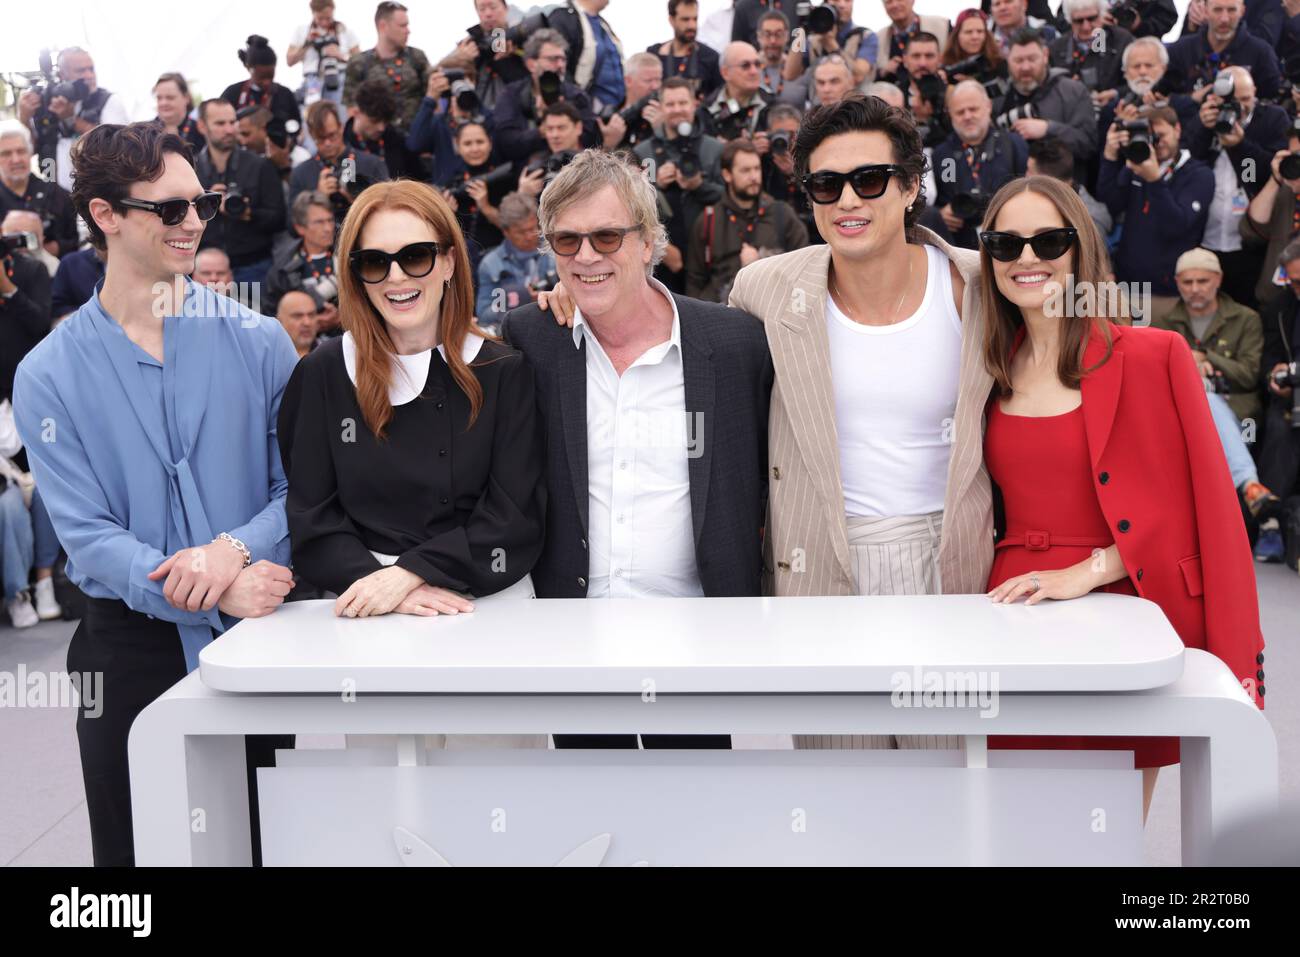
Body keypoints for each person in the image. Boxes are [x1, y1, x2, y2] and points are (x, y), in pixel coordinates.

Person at [12, 122, 297, 865]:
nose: (194, 222)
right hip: (125, 651)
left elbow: (299, 492)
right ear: (106, 215)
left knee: (257, 844)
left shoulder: (260, 340)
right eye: (170, 210)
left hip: (258, 640)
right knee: (132, 861)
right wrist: (208, 589)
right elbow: (89, 538)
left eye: (201, 203)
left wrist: (232, 555)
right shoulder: (47, 374)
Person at [978, 174, 1265, 818]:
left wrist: (1087, 571)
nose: (1027, 258)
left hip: (1120, 616)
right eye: (1006, 243)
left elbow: (1201, 508)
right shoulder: (985, 367)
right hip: (1009, 619)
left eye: (1047, 240)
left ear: (1080, 251)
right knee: (1016, 833)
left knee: (1101, 839)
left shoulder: (1154, 356)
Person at [726, 94, 994, 751]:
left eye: (868, 180)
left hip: (954, 564)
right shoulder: (765, 287)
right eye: (826, 184)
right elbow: (681, 338)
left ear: (908, 188)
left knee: (953, 792)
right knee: (840, 799)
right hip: (822, 564)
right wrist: (571, 297)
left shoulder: (980, 284)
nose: (847, 200)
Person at [504, 148, 772, 751]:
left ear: (649, 242)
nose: (586, 257)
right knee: (595, 829)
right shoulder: (531, 339)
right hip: (573, 638)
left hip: (696, 638)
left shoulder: (734, 345)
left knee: (696, 825)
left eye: (606, 236)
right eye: (566, 241)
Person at [278, 177, 545, 616]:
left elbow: (514, 516)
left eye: (416, 256)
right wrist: (381, 585)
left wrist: (410, 575)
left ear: (449, 262)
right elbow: (313, 517)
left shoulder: (502, 370)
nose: (396, 277)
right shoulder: (323, 373)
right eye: (374, 262)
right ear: (356, 275)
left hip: (487, 603)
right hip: (365, 599)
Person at [1097, 105, 1214, 324]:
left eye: (1161, 135)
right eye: (1150, 137)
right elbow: (1111, 202)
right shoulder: (1136, 166)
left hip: (1169, 292)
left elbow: (1177, 225)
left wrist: (1154, 181)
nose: (1156, 143)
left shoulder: (1200, 175)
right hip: (1128, 286)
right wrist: (1110, 157)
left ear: (1177, 129)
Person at [1189, 65, 1289, 311]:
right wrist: (1203, 128)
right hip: (1207, 240)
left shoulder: (1272, 119)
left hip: (1249, 244)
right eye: (1234, 101)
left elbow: (1268, 174)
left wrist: (1239, 146)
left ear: (1255, 91)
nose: (1242, 107)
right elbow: (1190, 165)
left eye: (1247, 99)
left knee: (1246, 314)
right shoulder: (1206, 117)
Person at [685, 139, 807, 302]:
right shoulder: (708, 220)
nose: (754, 176)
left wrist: (762, 262)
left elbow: (805, 270)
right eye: (745, 170)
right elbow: (694, 282)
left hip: (772, 311)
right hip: (722, 315)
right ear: (727, 174)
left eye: (757, 169)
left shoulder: (782, 213)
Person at [194, 99, 287, 286]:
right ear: (202, 126)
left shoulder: (260, 166)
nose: (229, 130)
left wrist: (248, 213)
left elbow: (279, 219)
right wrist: (204, 204)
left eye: (232, 122)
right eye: (220, 123)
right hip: (205, 270)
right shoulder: (190, 170)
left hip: (254, 267)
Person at [927, 80, 1029, 249]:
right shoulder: (944, 156)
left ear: (988, 106)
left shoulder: (1013, 144)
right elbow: (945, 193)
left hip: (1010, 239)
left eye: (973, 109)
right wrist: (941, 215)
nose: (967, 116)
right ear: (950, 115)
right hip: (961, 245)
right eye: (960, 112)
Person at [16, 47, 130, 192]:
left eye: (91, 69)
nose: (89, 75)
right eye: (81, 71)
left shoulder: (108, 101)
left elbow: (119, 146)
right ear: (62, 74)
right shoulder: (47, 100)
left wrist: (71, 120)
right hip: (54, 196)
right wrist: (24, 118)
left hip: (96, 193)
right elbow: (30, 149)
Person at [494, 29, 603, 163]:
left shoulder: (577, 96)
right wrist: (541, 131)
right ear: (531, 64)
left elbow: (589, 139)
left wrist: (561, 115)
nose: (560, 65)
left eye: (563, 59)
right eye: (553, 59)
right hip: (525, 175)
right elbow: (505, 142)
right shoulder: (511, 95)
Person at [290, 101, 391, 221]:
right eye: (320, 138)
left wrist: (359, 202)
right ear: (311, 135)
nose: (327, 143)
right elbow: (293, 227)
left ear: (341, 127)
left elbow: (389, 212)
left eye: (332, 135)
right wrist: (317, 198)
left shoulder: (372, 164)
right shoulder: (301, 174)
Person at [1166, 0, 1281, 101]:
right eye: (1217, 10)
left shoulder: (1262, 53)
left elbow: (1274, 99)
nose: (1224, 18)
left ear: (1242, 11)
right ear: (1205, 10)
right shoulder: (1181, 49)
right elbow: (1163, 98)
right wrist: (1190, 100)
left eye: (1231, 10)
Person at [343, 2, 433, 129]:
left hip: (418, 138)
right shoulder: (359, 63)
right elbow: (352, 111)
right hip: (379, 141)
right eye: (402, 26)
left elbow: (433, 98)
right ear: (383, 26)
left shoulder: (416, 57)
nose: (408, 31)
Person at [475, 191, 554, 332]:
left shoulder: (554, 249)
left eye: (533, 228)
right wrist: (517, 298)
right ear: (506, 231)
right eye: (521, 232)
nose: (529, 236)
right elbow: (483, 315)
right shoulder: (491, 264)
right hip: (515, 332)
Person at [0, 120, 78, 259]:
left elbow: (74, 242)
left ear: (31, 153)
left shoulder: (57, 195)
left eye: (21, 151)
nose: (16, 159)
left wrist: (51, 249)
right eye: (6, 154)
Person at [266, 191, 340, 326]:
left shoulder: (347, 258)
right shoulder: (282, 269)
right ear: (300, 228)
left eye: (330, 220)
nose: (328, 228)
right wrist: (311, 323)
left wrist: (340, 320)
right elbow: (272, 319)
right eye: (319, 222)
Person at [547, 0, 626, 112]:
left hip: (613, 110)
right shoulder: (564, 18)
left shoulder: (602, 24)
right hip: (584, 109)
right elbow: (556, 66)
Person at [286, 0, 362, 109]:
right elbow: (289, 61)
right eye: (320, 18)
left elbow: (360, 63)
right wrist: (307, 44)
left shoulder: (345, 31)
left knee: (339, 115)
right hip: (312, 80)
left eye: (328, 18)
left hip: (340, 79)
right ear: (313, 13)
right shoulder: (302, 31)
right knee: (313, 117)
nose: (324, 23)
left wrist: (340, 56)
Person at [221, 35, 303, 131]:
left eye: (270, 76)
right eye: (262, 77)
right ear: (249, 68)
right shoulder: (233, 93)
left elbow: (296, 125)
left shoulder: (284, 94)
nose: (267, 82)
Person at [650, 0, 723, 100]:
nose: (691, 25)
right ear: (672, 20)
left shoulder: (711, 58)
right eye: (685, 19)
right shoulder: (654, 55)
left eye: (695, 19)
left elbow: (720, 97)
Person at [876, 0, 953, 78]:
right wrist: (882, 72)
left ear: (912, 1)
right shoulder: (878, 38)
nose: (895, 5)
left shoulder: (942, 26)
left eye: (900, 0)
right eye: (889, 2)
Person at [152, 73, 206, 154]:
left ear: (186, 98)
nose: (163, 103)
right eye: (159, 98)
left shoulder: (201, 132)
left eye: (170, 97)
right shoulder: (145, 133)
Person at [276, 289, 322, 359]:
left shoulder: (333, 355)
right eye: (297, 316)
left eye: (311, 315)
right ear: (279, 321)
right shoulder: (265, 359)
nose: (307, 323)